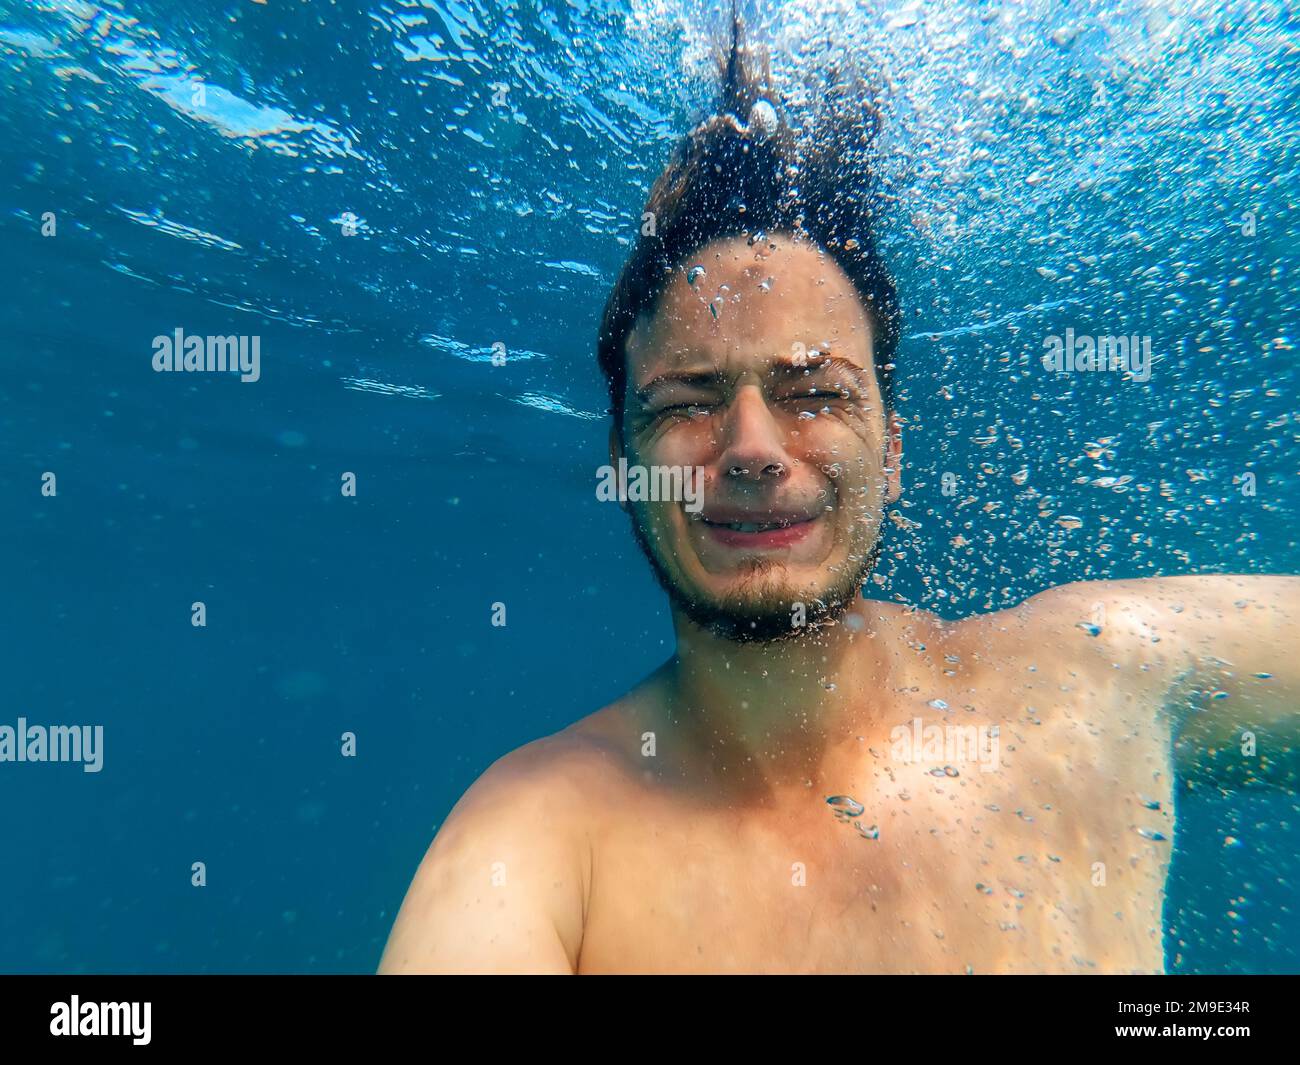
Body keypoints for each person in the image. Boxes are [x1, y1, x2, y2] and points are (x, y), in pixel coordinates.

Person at [378, 25, 1297, 975]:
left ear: (892, 450)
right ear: (620, 462)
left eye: (814, 393)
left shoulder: (1099, 681)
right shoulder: (535, 843)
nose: (751, 449)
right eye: (688, 402)